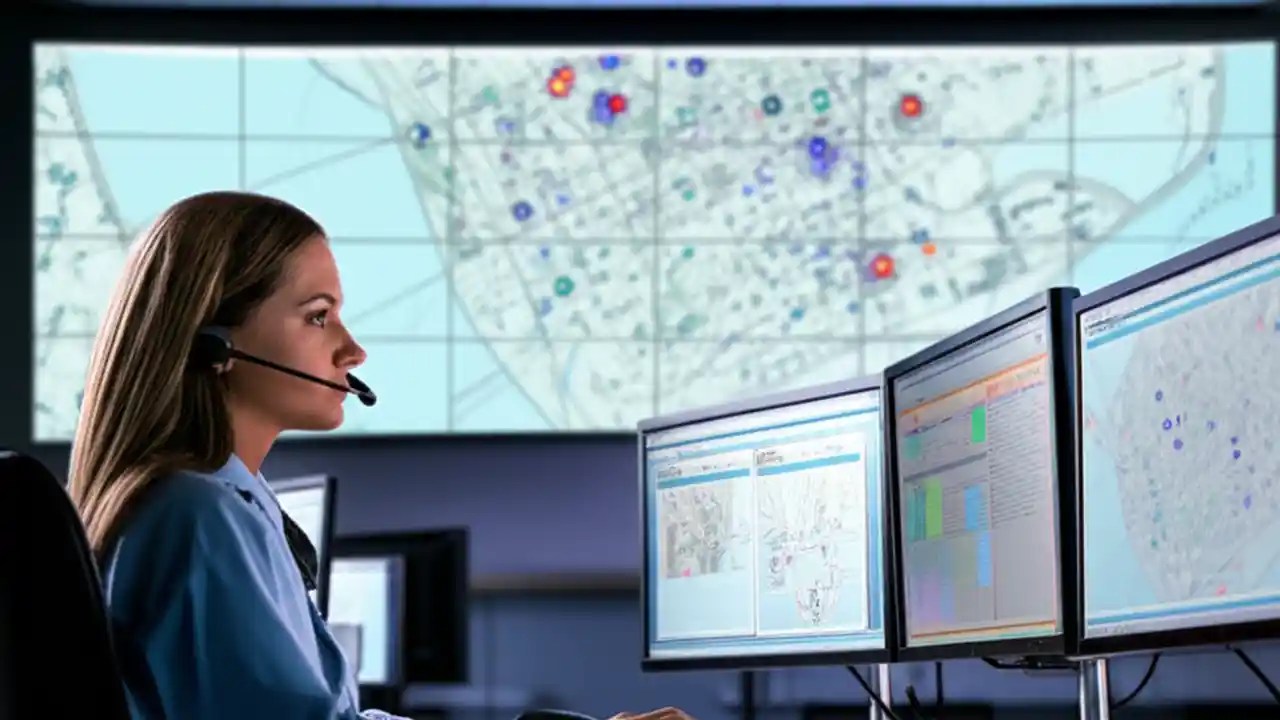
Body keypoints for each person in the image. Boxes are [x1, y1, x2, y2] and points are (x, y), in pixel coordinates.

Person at [66, 191, 695, 720]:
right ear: (215, 346)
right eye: (318, 317)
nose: (352, 350)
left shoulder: (219, 499)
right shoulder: (198, 515)